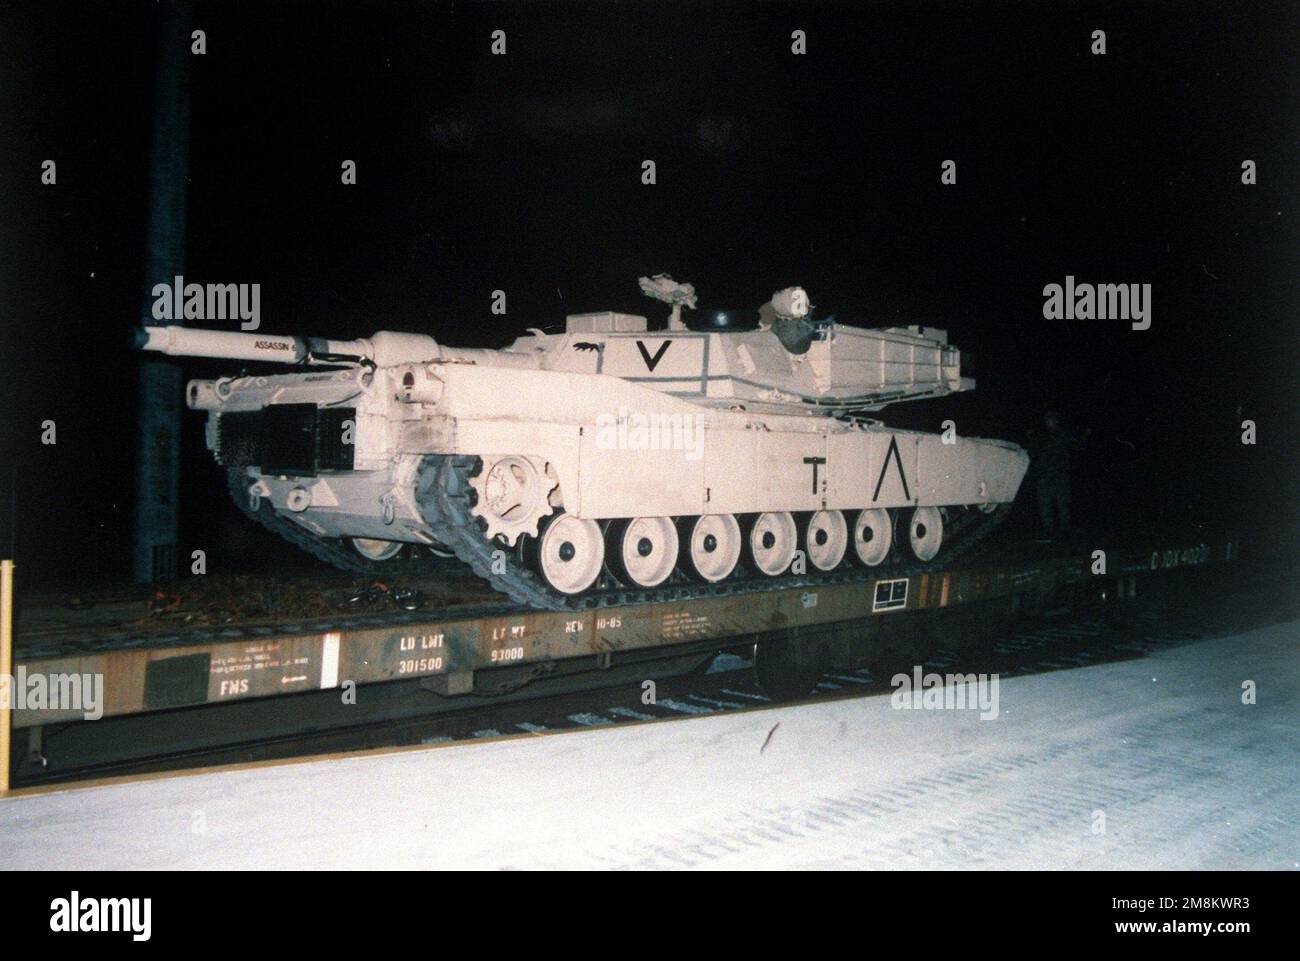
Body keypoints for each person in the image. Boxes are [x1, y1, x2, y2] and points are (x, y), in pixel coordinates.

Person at [1026, 409, 1089, 539]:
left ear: (1057, 421)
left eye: (1053, 419)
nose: (1050, 421)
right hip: (1044, 475)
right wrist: (1030, 438)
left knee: (1063, 503)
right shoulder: (1040, 436)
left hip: (1061, 474)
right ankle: (1048, 530)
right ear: (1045, 421)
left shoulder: (1063, 435)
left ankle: (1065, 530)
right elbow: (1032, 453)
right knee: (1044, 503)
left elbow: (1078, 446)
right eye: (1048, 419)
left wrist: (1085, 435)